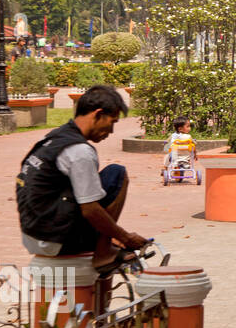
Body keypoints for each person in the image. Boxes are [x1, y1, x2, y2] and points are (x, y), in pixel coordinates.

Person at [16, 85, 149, 275]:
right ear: (98, 114)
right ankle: (103, 253)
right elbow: (90, 210)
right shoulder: (80, 151)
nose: (111, 131)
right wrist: (125, 237)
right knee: (117, 174)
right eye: (111, 122)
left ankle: (104, 245)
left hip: (32, 233)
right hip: (56, 240)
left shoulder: (54, 137)